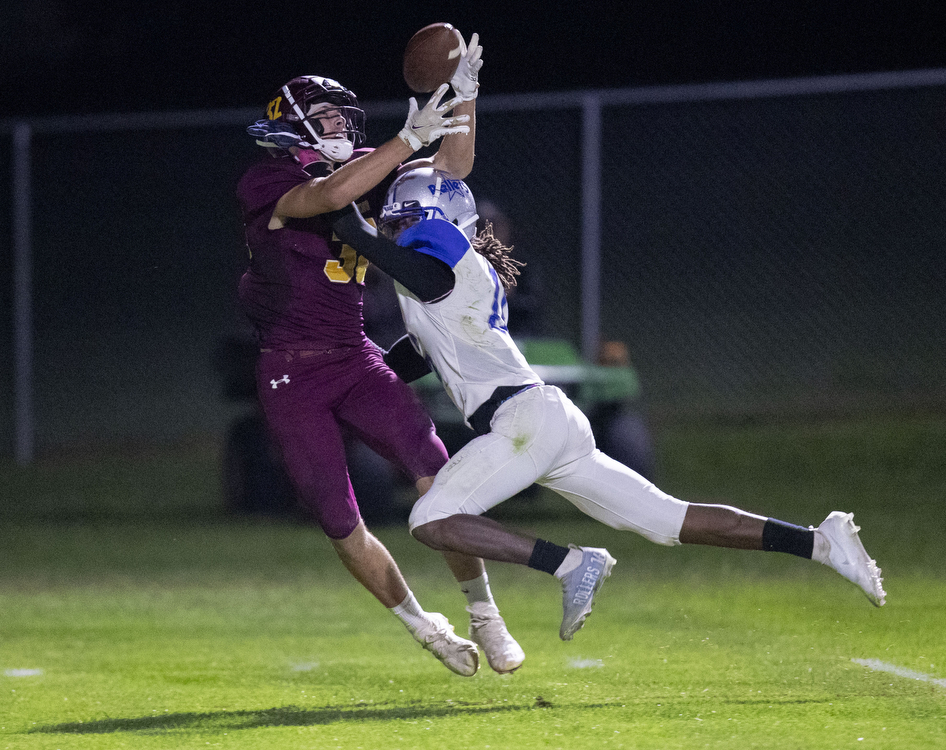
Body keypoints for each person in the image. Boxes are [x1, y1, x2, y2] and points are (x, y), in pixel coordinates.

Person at [326, 167, 887, 650]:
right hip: (544, 422)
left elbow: (397, 258)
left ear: (440, 221)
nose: (396, 232)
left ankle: (571, 564)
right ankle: (819, 542)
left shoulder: (447, 258)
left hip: (522, 423)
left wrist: (336, 200)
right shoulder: (433, 289)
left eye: (405, 221)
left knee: (429, 520)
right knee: (670, 520)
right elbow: (405, 360)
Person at [235, 37, 525, 677]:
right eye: (329, 116)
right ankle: (428, 630)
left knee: (438, 474)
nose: (343, 125)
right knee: (341, 521)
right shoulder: (269, 178)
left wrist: (465, 98)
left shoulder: (370, 163)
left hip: (354, 354)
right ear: (293, 124)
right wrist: (403, 139)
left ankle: (485, 613)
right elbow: (326, 199)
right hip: (289, 370)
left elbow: (452, 166)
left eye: (346, 115)